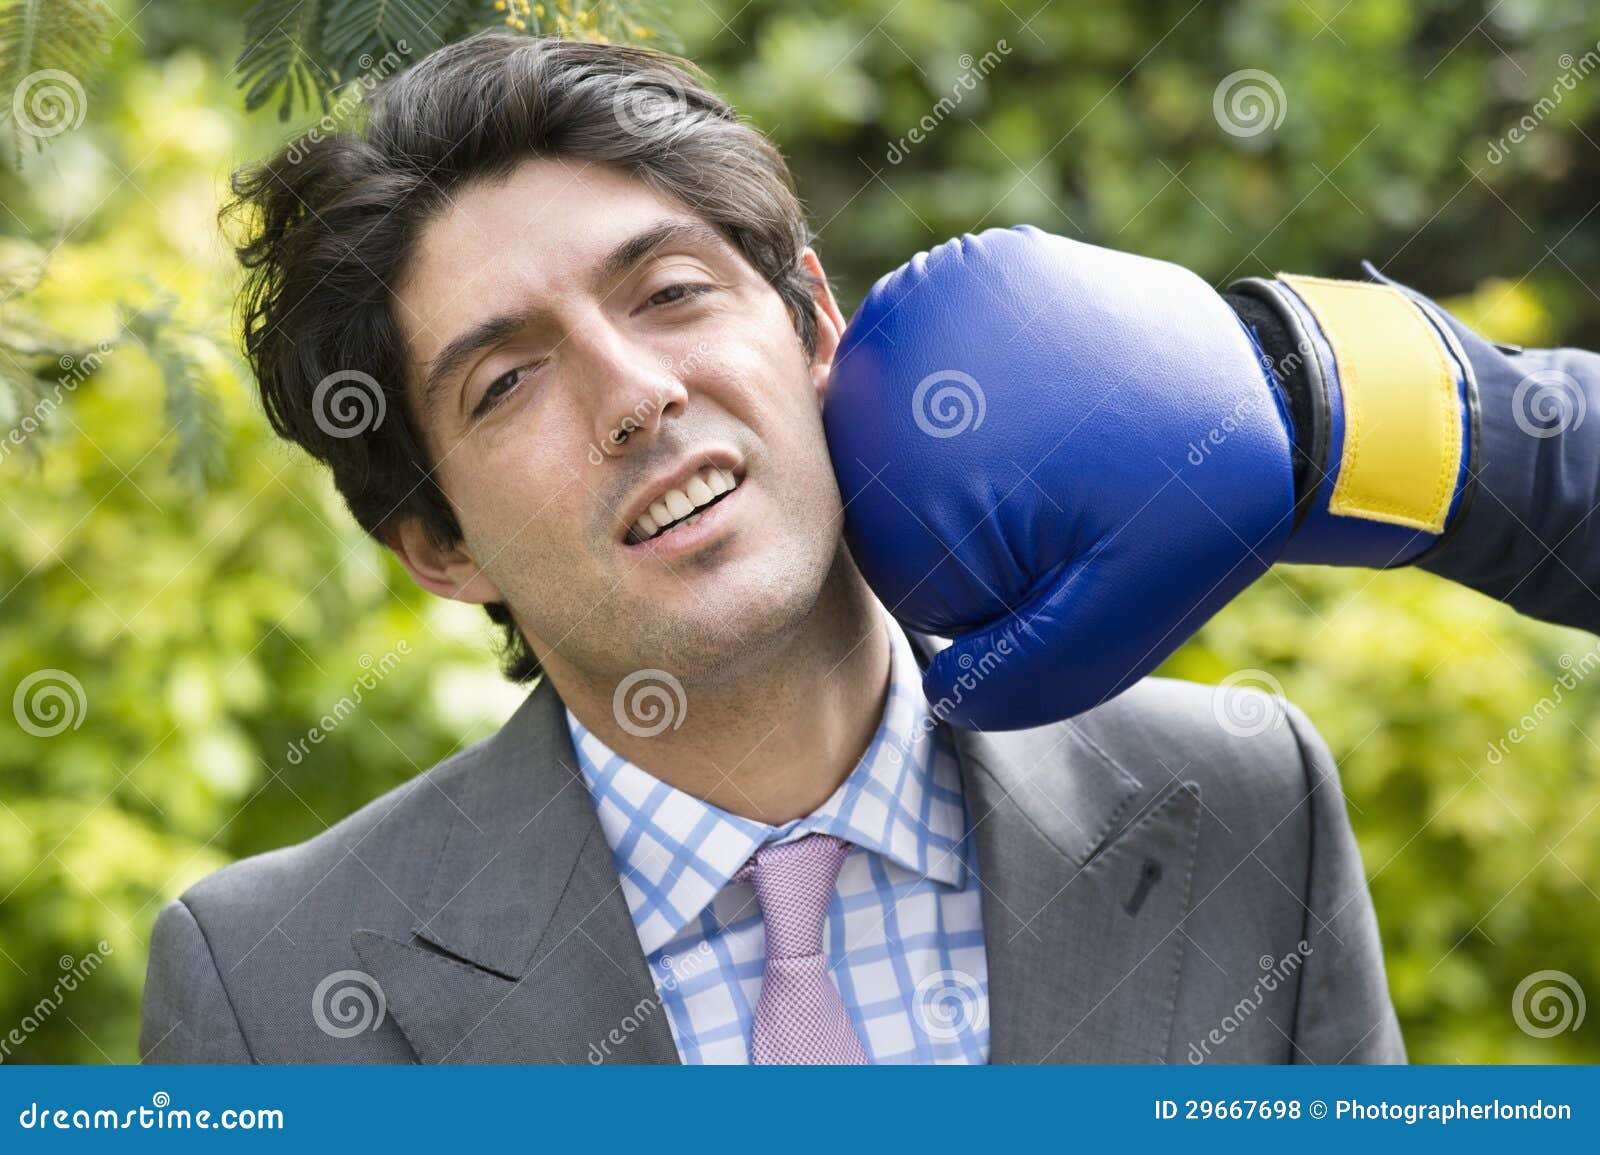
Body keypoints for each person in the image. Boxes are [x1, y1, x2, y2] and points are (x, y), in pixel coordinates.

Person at [140, 33, 1399, 1065]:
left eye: (671, 291)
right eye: (509, 379)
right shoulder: (271, 983)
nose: (635, 396)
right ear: (438, 545)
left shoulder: (1247, 798)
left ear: (812, 327)